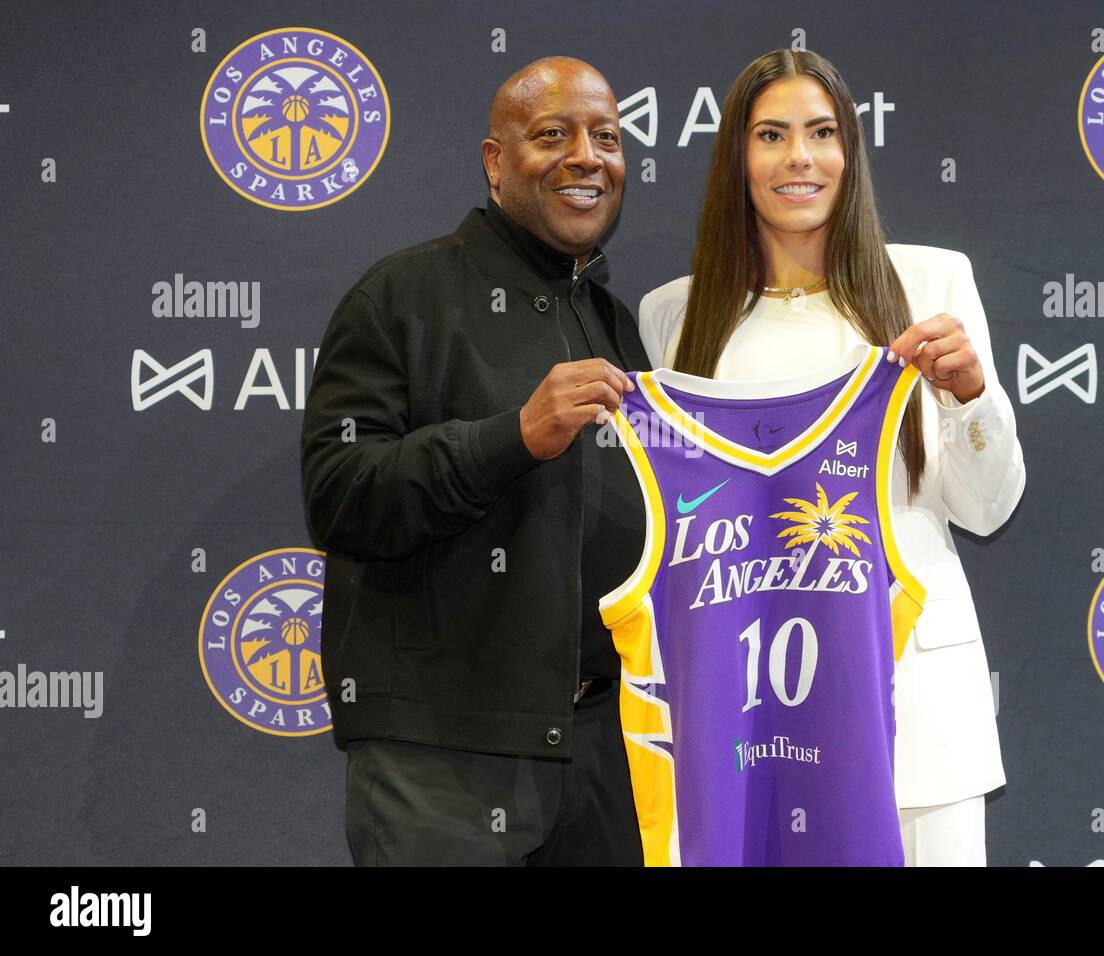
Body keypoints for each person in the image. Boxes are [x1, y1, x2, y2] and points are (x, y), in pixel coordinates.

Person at [638, 49, 1026, 866]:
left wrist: (970, 398)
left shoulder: (931, 283)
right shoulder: (673, 316)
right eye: (771, 135)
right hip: (750, 717)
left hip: (917, 706)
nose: (798, 158)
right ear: (736, 159)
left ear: (850, 149)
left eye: (821, 132)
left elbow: (989, 507)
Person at [300, 56, 649, 865]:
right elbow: (341, 496)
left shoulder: (615, 322)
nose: (586, 156)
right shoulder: (399, 297)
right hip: (443, 760)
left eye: (605, 136)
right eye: (551, 134)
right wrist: (514, 436)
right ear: (496, 163)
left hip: (608, 752)